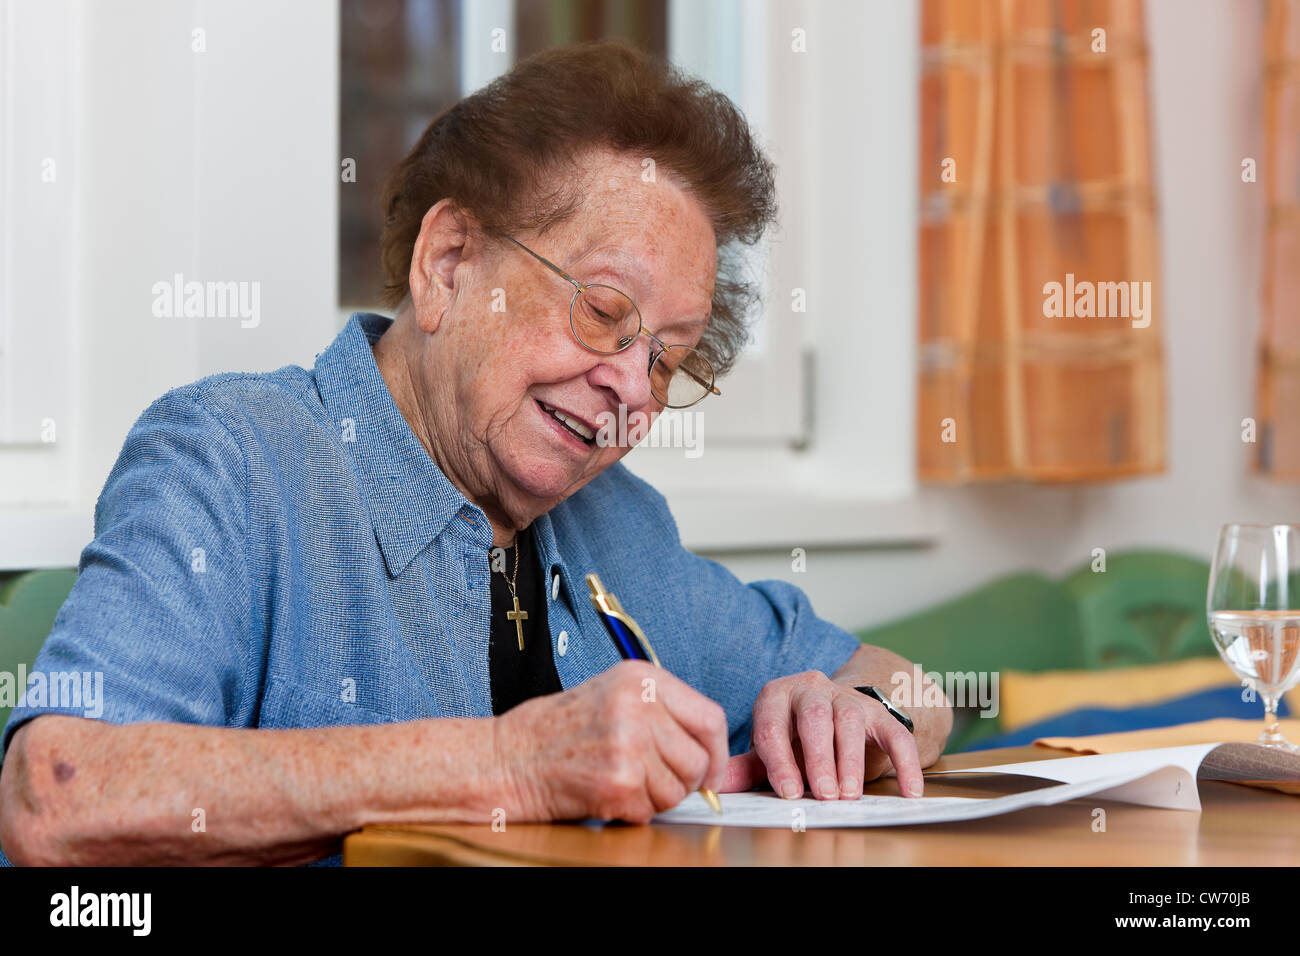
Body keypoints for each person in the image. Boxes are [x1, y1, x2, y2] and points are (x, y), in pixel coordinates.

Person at [0, 40, 950, 866]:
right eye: (605, 311)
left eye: (668, 358)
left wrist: (856, 718)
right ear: (448, 261)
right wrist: (513, 765)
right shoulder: (233, 459)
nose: (631, 383)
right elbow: (58, 795)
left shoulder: (621, 529)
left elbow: (909, 684)